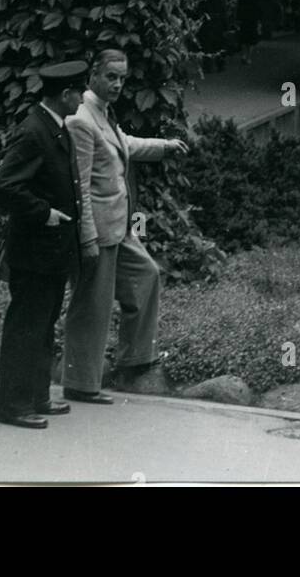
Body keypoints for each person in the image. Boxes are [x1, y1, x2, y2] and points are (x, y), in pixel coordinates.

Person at [62, 49, 187, 402]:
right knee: (93, 306)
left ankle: (135, 360)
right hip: (98, 231)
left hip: (118, 227)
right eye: (110, 77)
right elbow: (80, 187)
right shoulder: (81, 120)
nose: (117, 84)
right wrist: (86, 237)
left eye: (122, 77)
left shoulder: (102, 112)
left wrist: (164, 146)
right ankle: (80, 384)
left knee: (147, 275)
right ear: (93, 77)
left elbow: (123, 144)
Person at [0, 60, 87, 429]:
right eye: (80, 92)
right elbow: (5, 186)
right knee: (26, 326)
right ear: (65, 95)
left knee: (44, 323)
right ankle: (12, 406)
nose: (83, 98)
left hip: (50, 251)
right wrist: (43, 212)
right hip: (35, 250)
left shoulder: (53, 127)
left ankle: (37, 395)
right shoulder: (34, 132)